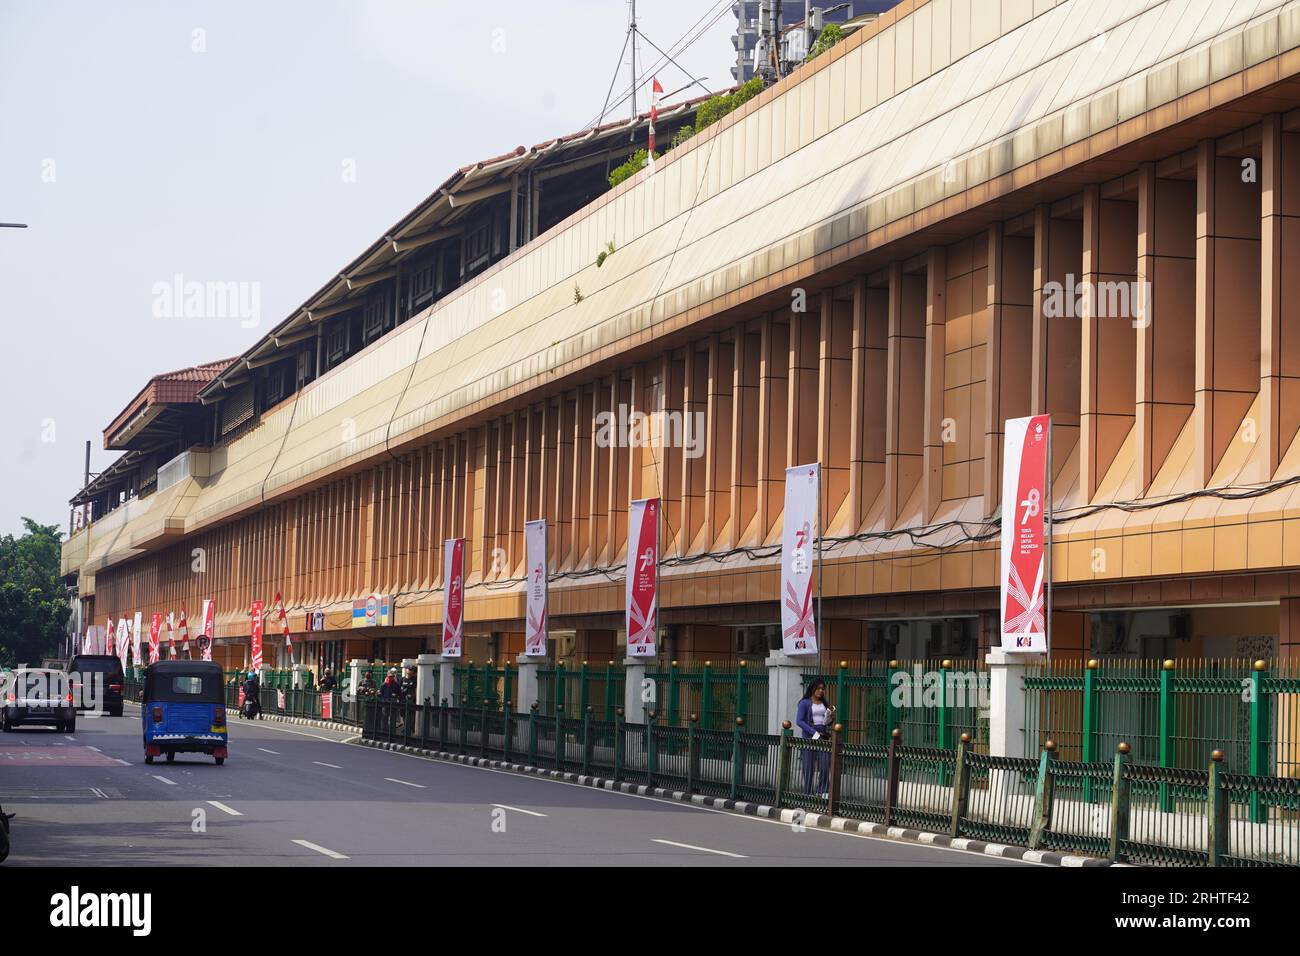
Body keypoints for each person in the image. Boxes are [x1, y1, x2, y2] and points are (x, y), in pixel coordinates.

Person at [795, 679, 835, 795]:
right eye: (818, 688)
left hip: (823, 735)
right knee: (808, 766)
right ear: (812, 689)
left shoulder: (824, 703)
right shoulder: (804, 703)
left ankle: (822, 791)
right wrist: (813, 733)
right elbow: (799, 721)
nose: (821, 691)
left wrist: (829, 718)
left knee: (824, 764)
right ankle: (807, 793)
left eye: (823, 689)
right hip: (809, 735)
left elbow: (826, 722)